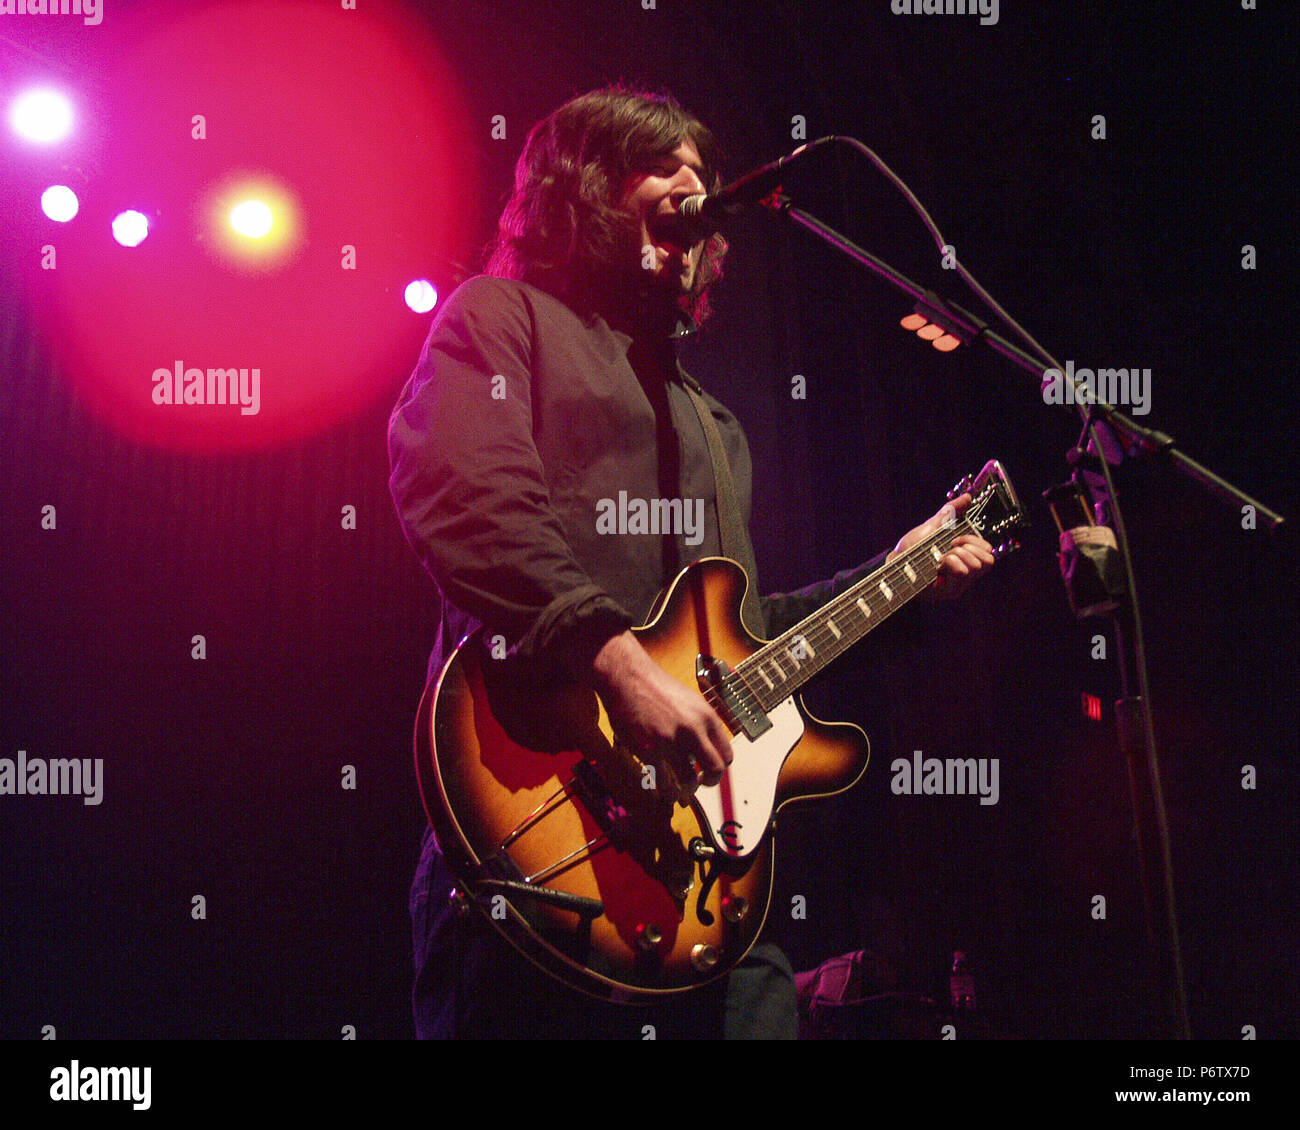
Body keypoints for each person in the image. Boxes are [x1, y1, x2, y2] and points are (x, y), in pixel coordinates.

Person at [387, 86, 994, 1039]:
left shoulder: (714, 425)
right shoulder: (502, 319)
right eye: (659, 164)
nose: (693, 184)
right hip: (537, 837)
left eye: (703, 175)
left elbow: (733, 653)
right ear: (582, 190)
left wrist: (901, 572)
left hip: (709, 886)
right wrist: (619, 668)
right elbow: (468, 502)